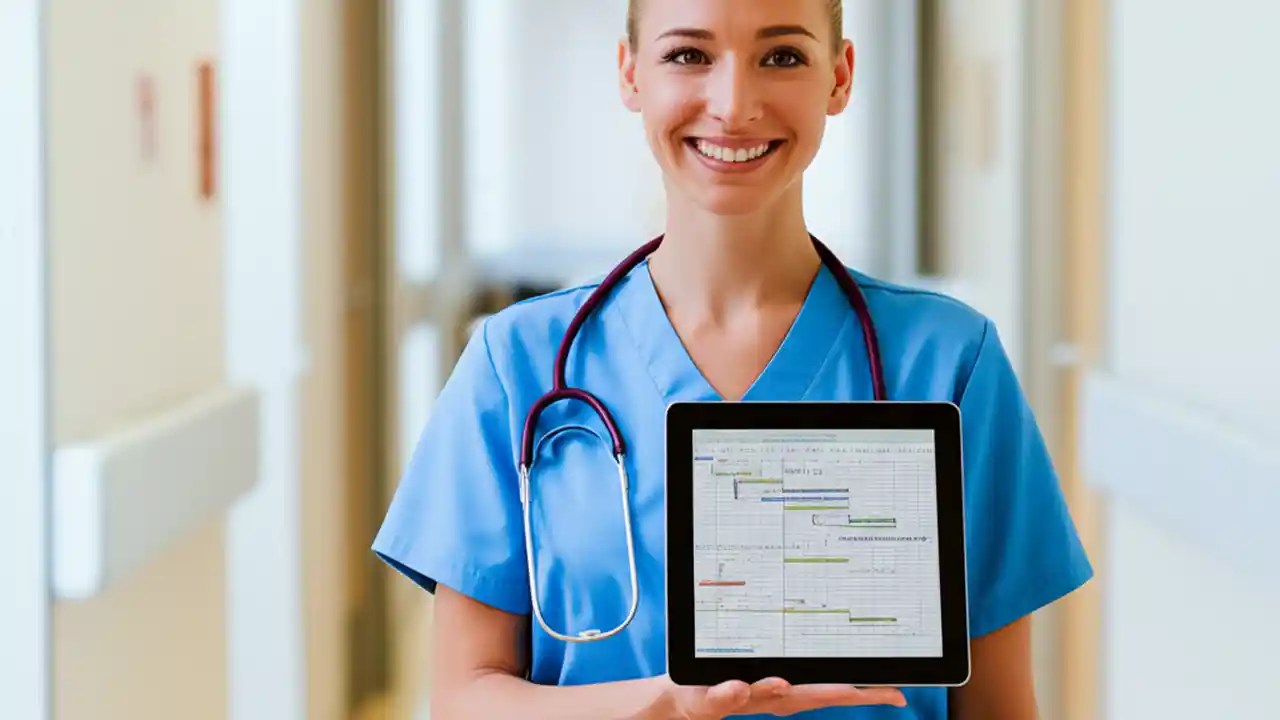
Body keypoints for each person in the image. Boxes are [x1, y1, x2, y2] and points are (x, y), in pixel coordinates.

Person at [372, 0, 1093, 717]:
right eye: (689, 55)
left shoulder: (950, 363)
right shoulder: (519, 364)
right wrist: (665, 701)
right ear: (631, 74)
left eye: (781, 57)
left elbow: (1000, 708)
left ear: (839, 78)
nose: (733, 103)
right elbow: (464, 700)